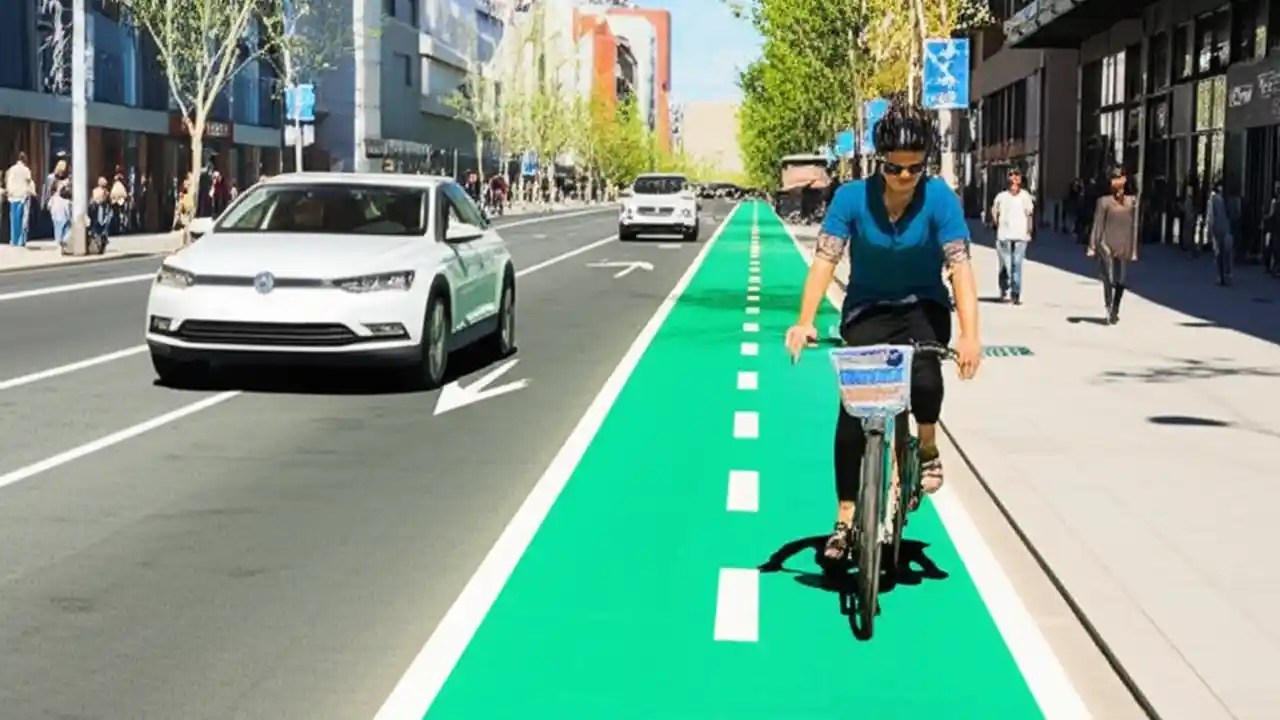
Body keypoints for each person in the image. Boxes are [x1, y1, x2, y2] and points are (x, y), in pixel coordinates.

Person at [783, 99, 983, 561]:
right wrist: (805, 320)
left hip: (922, 307)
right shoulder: (851, 198)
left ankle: (927, 447)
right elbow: (825, 259)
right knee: (852, 413)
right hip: (867, 310)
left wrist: (971, 335)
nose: (905, 178)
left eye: (915, 169)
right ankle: (845, 519)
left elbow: (961, 270)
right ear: (880, 160)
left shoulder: (940, 199)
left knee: (926, 376)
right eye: (895, 168)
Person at [1087, 165, 1139, 325]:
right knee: (1108, 277)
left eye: (1119, 177)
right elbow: (1097, 224)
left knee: (1121, 280)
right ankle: (1109, 307)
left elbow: (1134, 227)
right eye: (1114, 178)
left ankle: (1116, 307)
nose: (1116, 181)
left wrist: (1133, 249)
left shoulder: (1132, 202)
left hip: (1123, 243)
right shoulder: (1103, 202)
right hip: (1106, 243)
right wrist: (1092, 246)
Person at [990, 168, 1035, 304]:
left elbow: (1029, 214)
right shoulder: (1001, 196)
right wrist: (996, 222)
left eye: (1017, 175)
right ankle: (1004, 289)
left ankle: (1015, 293)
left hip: (1021, 235)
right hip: (1004, 235)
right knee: (1006, 264)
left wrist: (1030, 229)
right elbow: (994, 210)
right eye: (1011, 175)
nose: (1014, 178)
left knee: (1017, 264)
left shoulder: (1025, 196)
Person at [5, 151, 34, 248]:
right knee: (23, 220)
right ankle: (21, 241)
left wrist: (9, 192)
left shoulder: (11, 170)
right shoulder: (26, 170)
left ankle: (14, 240)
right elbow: (29, 182)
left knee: (14, 219)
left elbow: (8, 181)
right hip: (23, 196)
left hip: (13, 197)